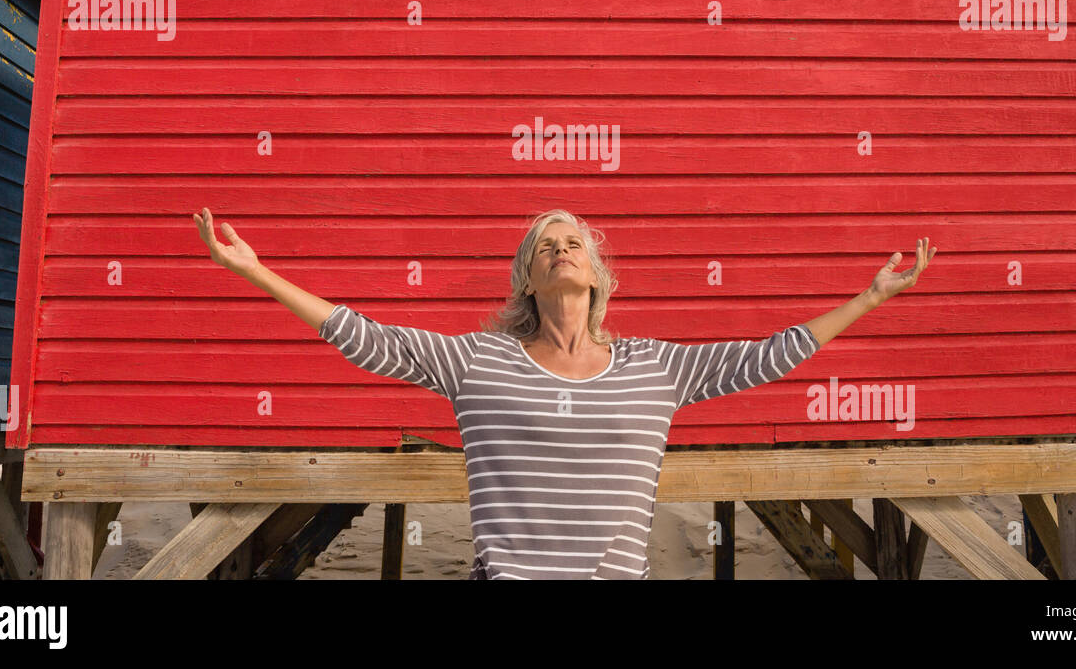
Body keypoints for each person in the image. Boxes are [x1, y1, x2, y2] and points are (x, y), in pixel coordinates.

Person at [192, 206, 935, 579]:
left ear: (597, 273)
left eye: (573, 239)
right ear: (528, 277)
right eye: (545, 243)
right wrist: (254, 272)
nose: (560, 247)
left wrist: (868, 299)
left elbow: (766, 358)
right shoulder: (478, 362)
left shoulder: (654, 367)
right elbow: (367, 336)